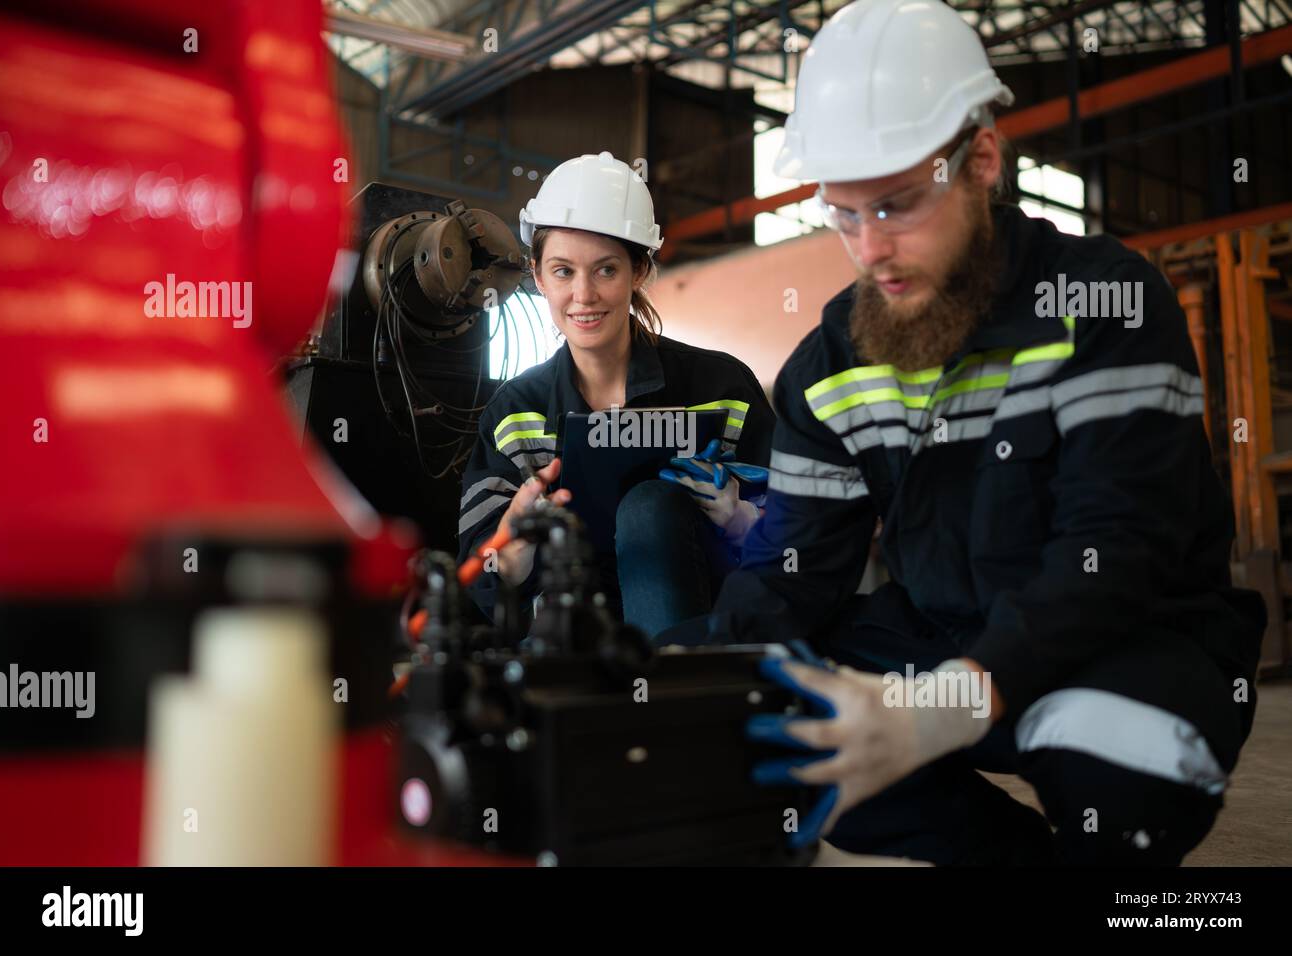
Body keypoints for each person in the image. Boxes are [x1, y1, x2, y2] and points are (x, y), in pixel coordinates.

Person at [699, 0, 1265, 865]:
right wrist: (695, 686)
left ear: (983, 163)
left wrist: (943, 708)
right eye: (842, 215)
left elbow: (1117, 552)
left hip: (1128, 641)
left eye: (893, 205)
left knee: (1126, 770)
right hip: (940, 631)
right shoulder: (830, 367)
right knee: (760, 712)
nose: (869, 249)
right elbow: (789, 575)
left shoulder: (1100, 304)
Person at [458, 152, 774, 637]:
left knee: (650, 506)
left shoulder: (721, 390)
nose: (583, 295)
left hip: (706, 649)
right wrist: (513, 546)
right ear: (538, 276)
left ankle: (669, 687)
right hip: (568, 659)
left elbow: (795, 552)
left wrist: (739, 517)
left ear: (639, 271)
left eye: (606, 270)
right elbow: (480, 584)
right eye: (563, 271)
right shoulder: (514, 415)